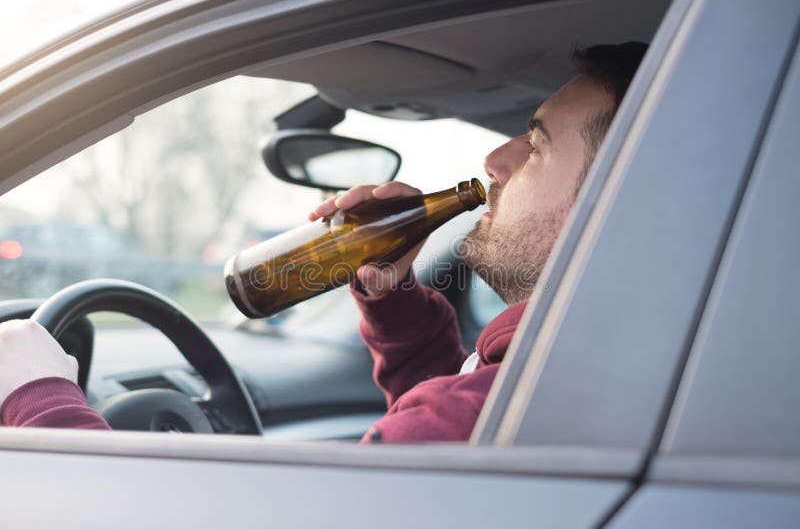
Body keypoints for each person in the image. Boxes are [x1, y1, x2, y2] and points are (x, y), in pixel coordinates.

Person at [0, 42, 647, 441]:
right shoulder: (580, 374)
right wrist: (390, 294)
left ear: (618, 199)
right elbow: (445, 428)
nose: (495, 159)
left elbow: (444, 424)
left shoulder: (490, 410)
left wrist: (36, 400)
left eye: (536, 144)